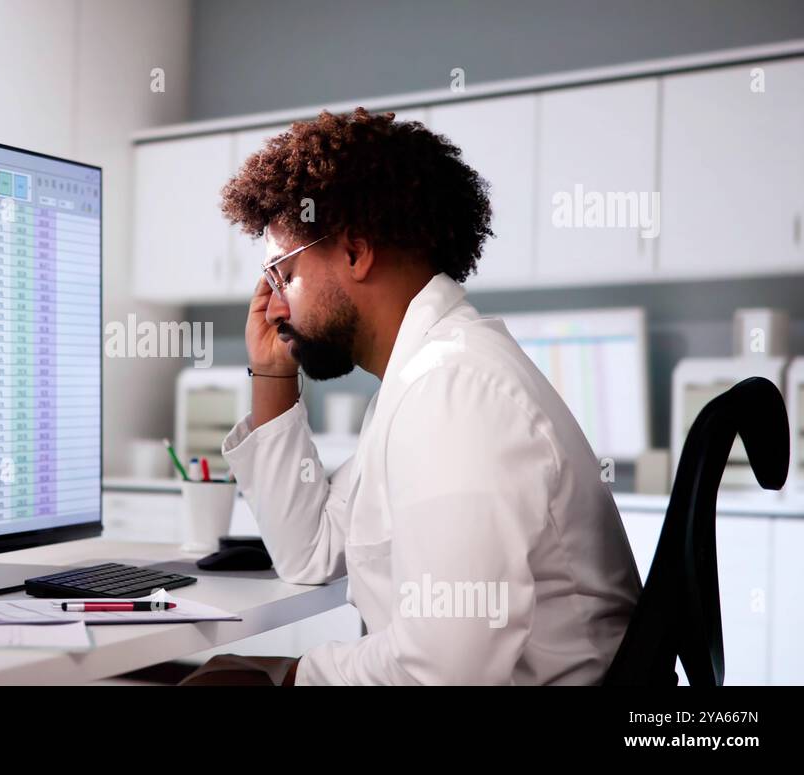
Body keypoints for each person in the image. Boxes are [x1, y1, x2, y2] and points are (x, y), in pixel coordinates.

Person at [179, 107, 641, 686]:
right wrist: (272, 374)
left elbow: (446, 671)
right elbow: (310, 551)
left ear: (355, 252)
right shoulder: (422, 380)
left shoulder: (454, 390)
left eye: (283, 274)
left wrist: (286, 677)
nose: (272, 307)